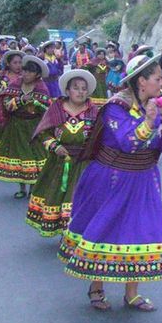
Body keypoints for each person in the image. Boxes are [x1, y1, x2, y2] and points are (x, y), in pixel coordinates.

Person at [59, 55, 162, 312]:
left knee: (140, 231)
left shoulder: (155, 105)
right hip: (112, 178)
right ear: (141, 81)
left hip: (144, 180)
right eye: (158, 78)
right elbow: (128, 142)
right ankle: (96, 287)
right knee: (106, 228)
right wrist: (148, 122)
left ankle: (132, 294)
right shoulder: (116, 107)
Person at [26, 70, 98, 237]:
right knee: (57, 196)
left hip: (83, 164)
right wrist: (54, 146)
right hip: (58, 164)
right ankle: (62, 231)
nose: (80, 92)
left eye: (83, 88)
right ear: (67, 90)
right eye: (76, 88)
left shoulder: (94, 112)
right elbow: (43, 133)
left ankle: (72, 234)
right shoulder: (56, 108)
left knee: (77, 199)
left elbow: (101, 136)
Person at [0, 56, 51, 199]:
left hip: (34, 126)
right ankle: (22, 188)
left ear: (37, 75)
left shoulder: (41, 88)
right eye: (24, 71)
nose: (25, 74)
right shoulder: (15, 85)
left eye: (30, 72)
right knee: (19, 155)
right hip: (16, 126)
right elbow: (6, 105)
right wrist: (20, 100)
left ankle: (33, 187)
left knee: (35, 155)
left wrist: (37, 105)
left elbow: (47, 108)